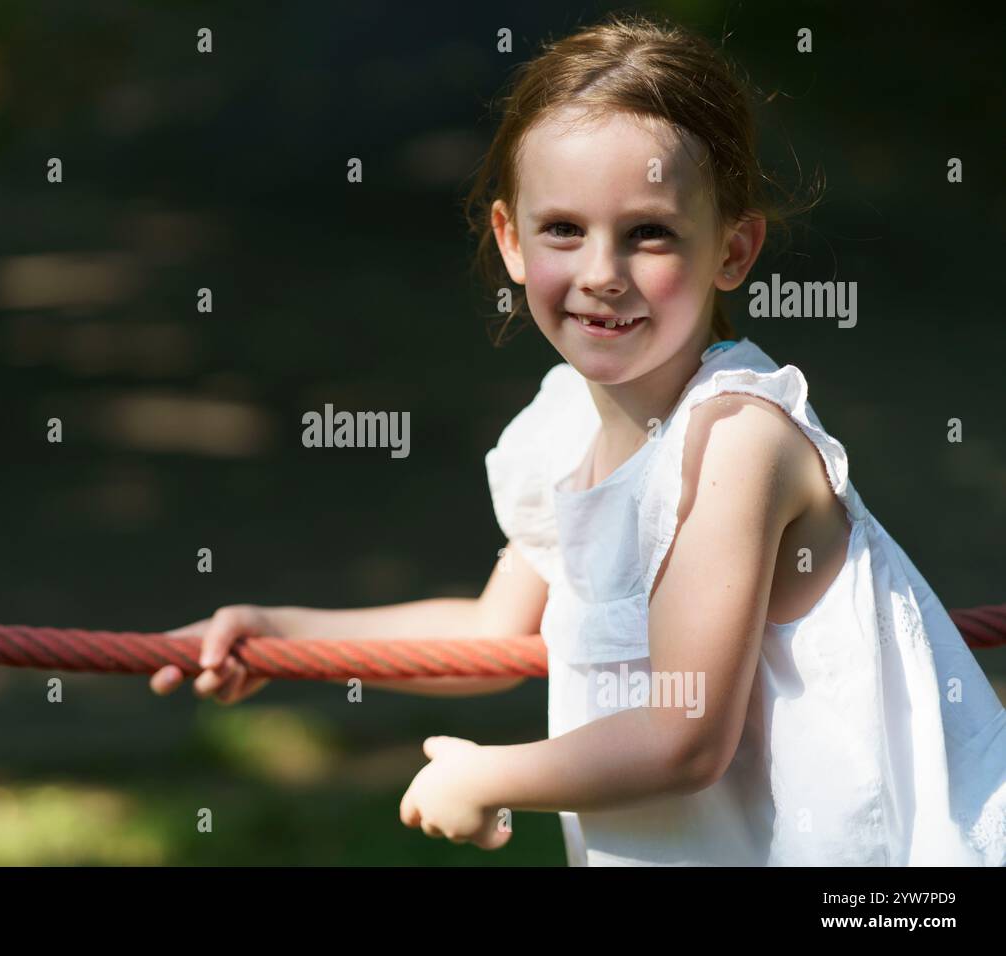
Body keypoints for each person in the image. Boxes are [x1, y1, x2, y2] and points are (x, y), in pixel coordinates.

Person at [151, 14, 1006, 866]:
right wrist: (278, 633)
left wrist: (490, 776)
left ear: (734, 249)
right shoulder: (564, 425)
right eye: (564, 229)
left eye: (650, 232)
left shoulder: (737, 437)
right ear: (511, 241)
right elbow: (495, 637)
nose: (602, 272)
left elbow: (685, 738)